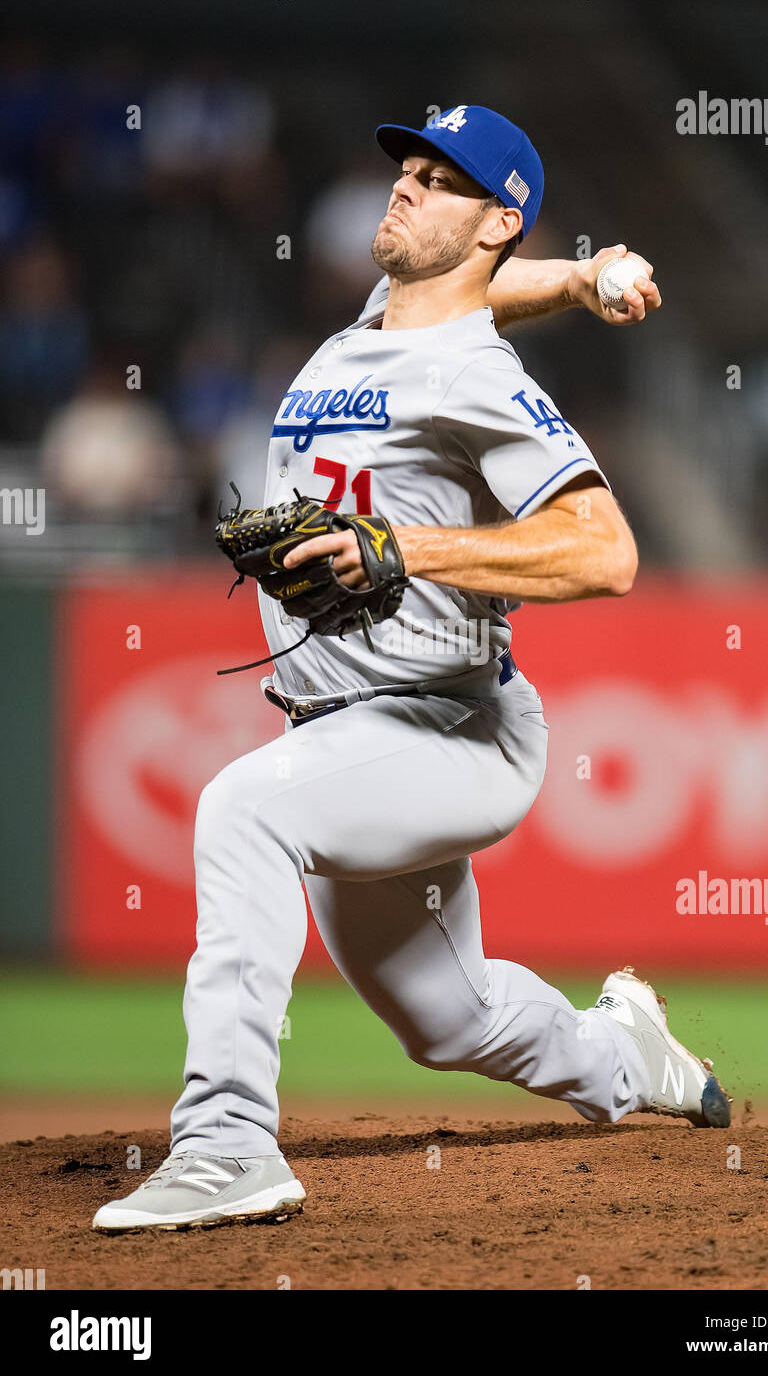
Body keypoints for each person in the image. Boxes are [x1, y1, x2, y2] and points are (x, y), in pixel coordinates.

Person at [93, 105, 726, 1235]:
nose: (404, 188)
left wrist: (408, 547)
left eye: (442, 182)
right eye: (409, 168)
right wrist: (579, 279)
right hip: (339, 732)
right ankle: (624, 1055)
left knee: (240, 812)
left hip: (448, 728)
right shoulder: (375, 327)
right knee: (448, 1020)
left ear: (495, 221)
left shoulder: (481, 379)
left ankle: (225, 1142)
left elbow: (607, 552)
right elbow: (476, 291)